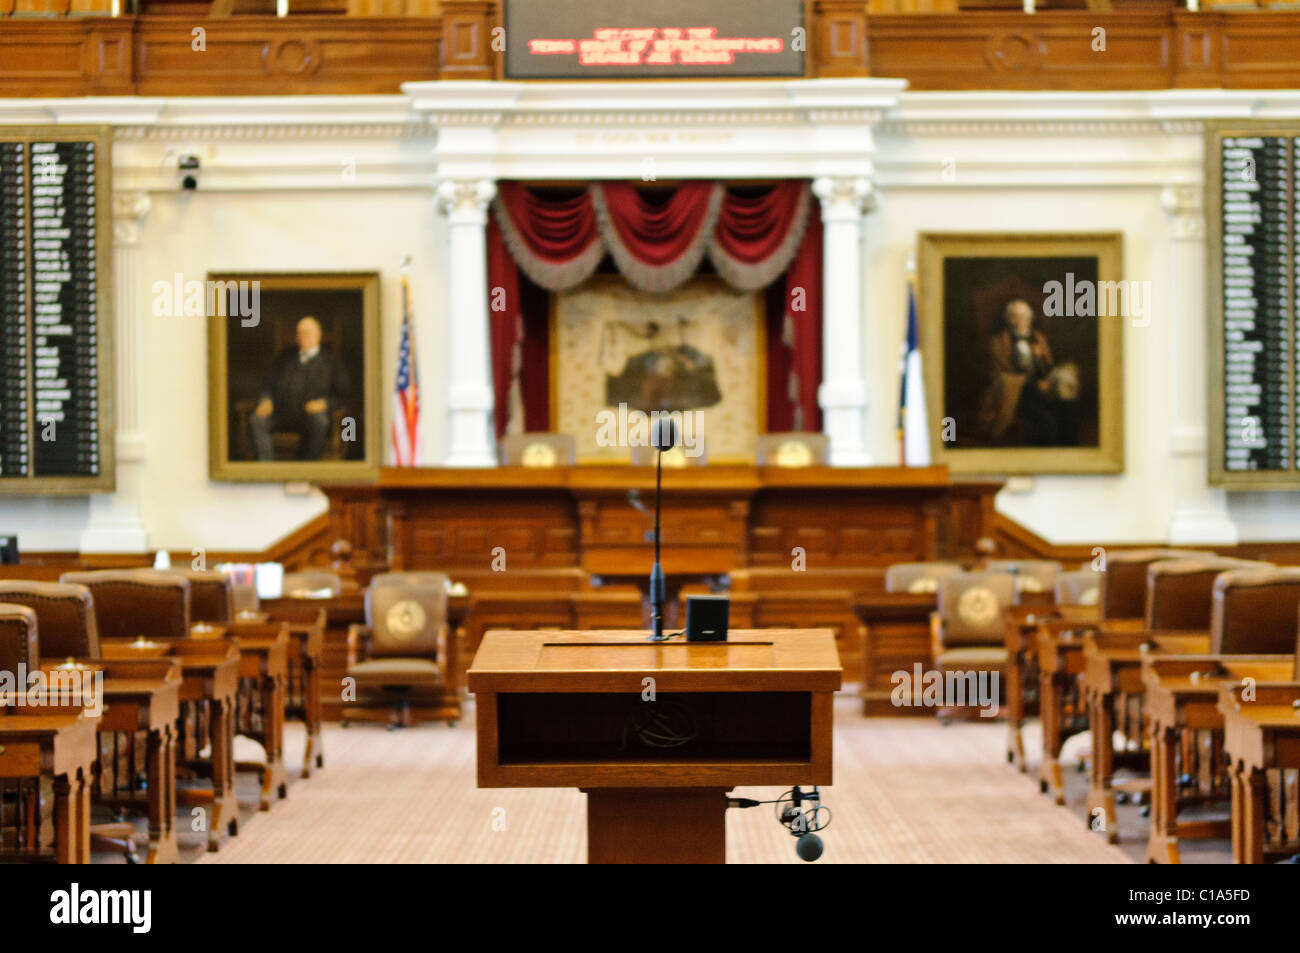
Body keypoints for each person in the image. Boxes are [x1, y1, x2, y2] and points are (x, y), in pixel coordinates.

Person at [976, 299, 1079, 447]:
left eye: (1025, 317)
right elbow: (999, 376)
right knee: (1046, 420)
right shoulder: (997, 342)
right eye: (1016, 316)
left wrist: (1039, 358)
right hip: (1018, 392)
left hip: (1045, 386)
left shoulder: (1038, 338)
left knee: (1070, 408)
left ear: (1030, 319)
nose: (1020, 321)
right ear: (1009, 319)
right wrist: (1032, 384)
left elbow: (1048, 368)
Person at [249, 316, 351, 461]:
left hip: (309, 418)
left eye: (307, 333)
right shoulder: (285, 357)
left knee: (320, 421)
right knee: (256, 421)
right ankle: (267, 469)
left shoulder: (331, 361)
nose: (301, 337)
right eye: (299, 333)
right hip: (281, 414)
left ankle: (306, 468)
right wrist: (266, 400)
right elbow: (268, 385)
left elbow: (344, 395)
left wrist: (324, 404)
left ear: (318, 335)